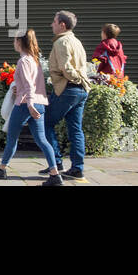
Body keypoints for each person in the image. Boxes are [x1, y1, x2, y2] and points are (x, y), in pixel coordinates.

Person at [0, 30, 62, 185]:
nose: (13, 42)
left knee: (12, 138)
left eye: (15, 40)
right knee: (42, 140)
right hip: (39, 104)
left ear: (19, 42)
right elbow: (32, 84)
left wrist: (30, 104)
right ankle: (55, 174)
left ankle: (1, 169)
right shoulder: (34, 60)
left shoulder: (24, 61)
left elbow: (28, 85)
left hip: (25, 105)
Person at [45, 10, 91, 180]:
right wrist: (82, 81)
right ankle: (77, 169)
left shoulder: (61, 42)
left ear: (62, 25)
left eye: (54, 22)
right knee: (76, 129)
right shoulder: (76, 41)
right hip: (80, 91)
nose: (52, 25)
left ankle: (55, 164)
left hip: (68, 89)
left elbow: (65, 67)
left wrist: (76, 79)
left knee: (45, 123)